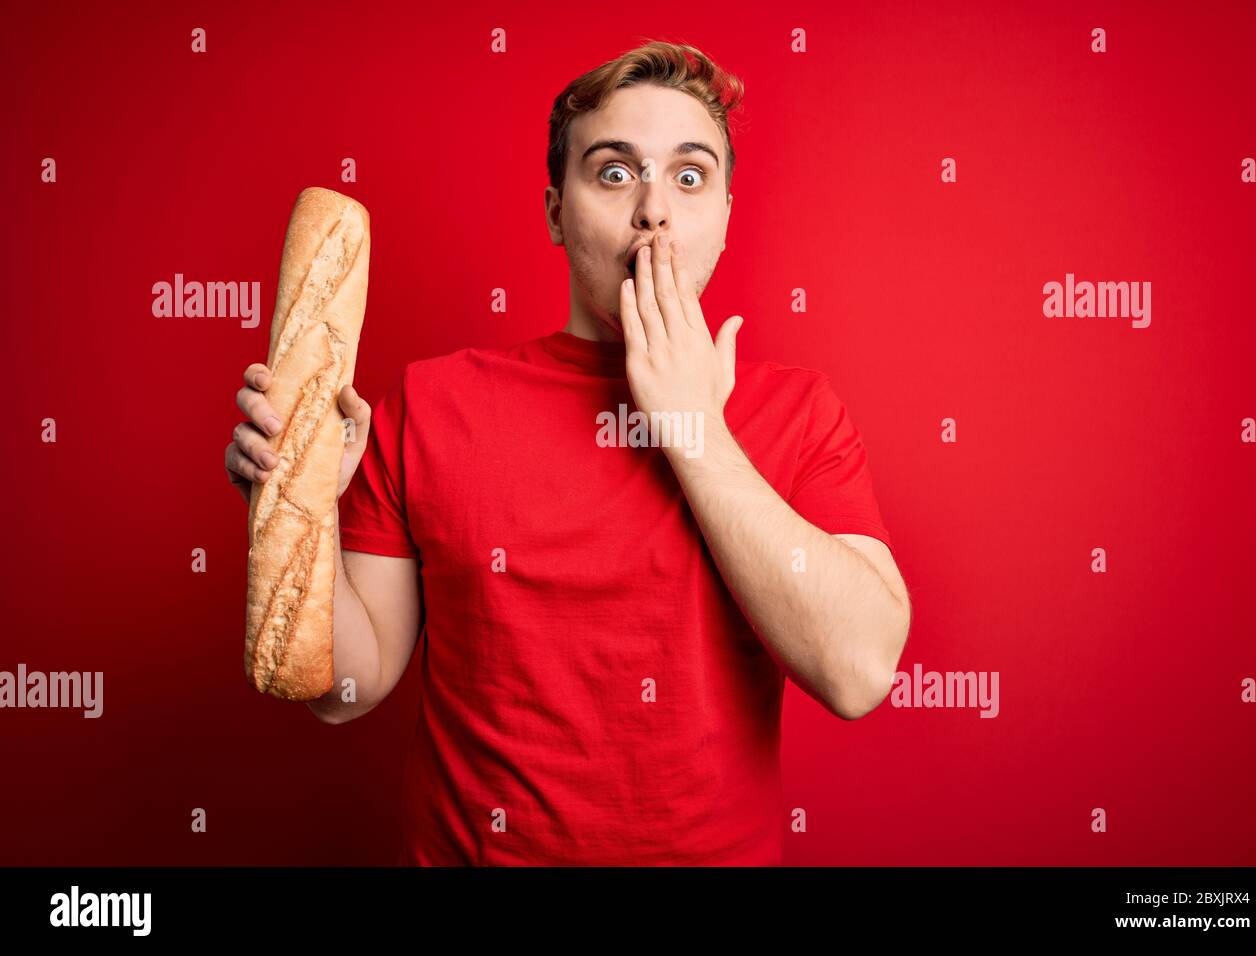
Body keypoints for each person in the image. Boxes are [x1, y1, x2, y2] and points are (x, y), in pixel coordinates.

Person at [224, 40, 911, 866]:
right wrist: (302, 507)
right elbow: (344, 693)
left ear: (726, 216)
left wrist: (692, 427)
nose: (653, 209)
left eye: (689, 177)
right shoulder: (432, 406)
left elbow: (859, 670)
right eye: (615, 172)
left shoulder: (801, 414)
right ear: (556, 212)